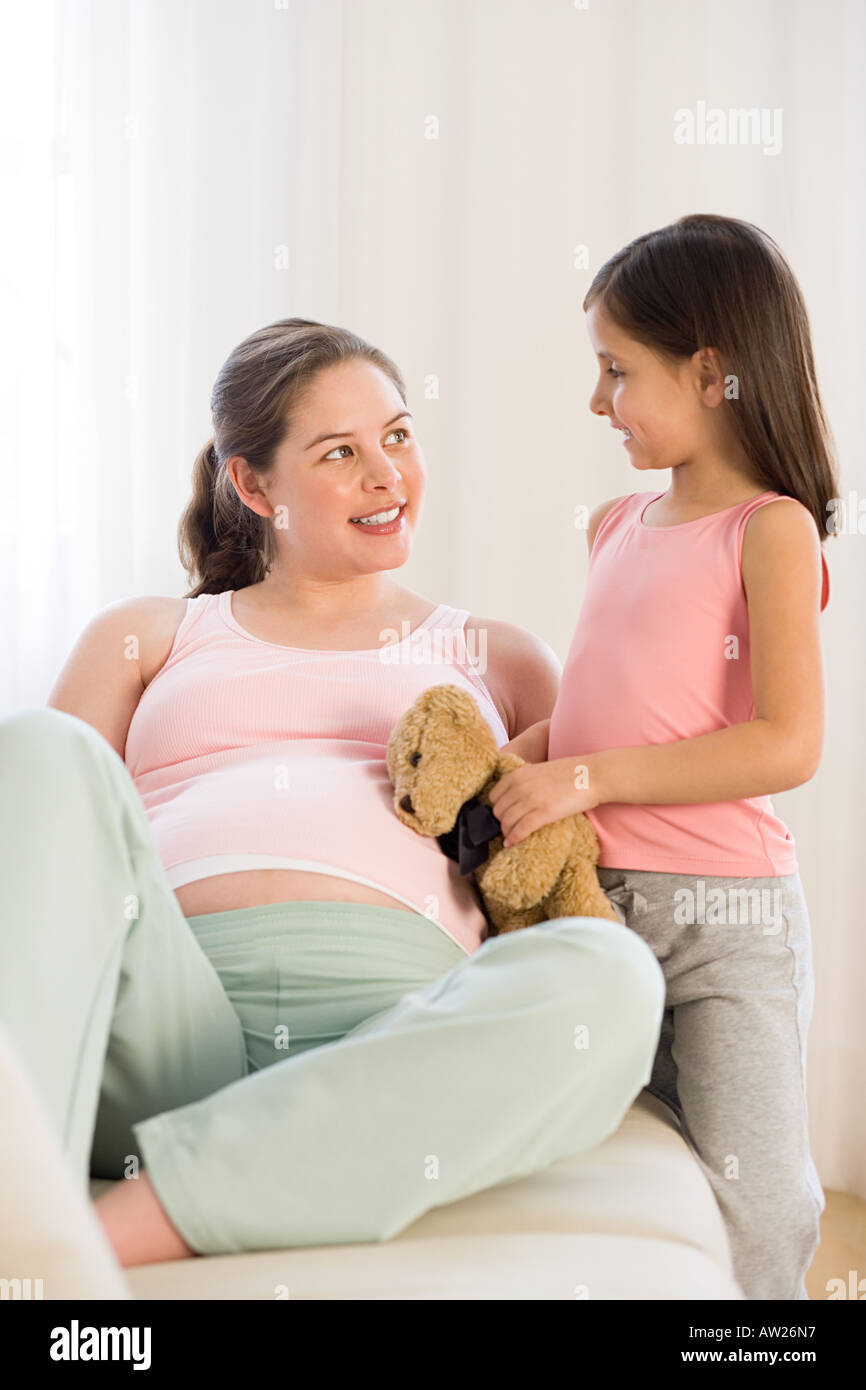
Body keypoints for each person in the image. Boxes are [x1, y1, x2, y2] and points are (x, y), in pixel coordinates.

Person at [0, 319, 665, 1269]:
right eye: (340, 453)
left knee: (612, 976)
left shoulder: (500, 657)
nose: (386, 474)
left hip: (398, 1041)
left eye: (397, 436)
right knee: (34, 747)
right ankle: (29, 1177)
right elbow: (43, 852)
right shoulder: (152, 636)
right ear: (253, 484)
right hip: (168, 1024)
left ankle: (86, 1242)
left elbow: (551, 867)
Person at [487, 214, 836, 1301]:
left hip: (727, 920)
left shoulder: (768, 530)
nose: (598, 404)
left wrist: (582, 778)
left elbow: (787, 742)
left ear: (709, 370)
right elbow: (605, 708)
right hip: (600, 902)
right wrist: (522, 757)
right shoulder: (613, 524)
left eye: (614, 372)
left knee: (760, 1192)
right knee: (615, 1160)